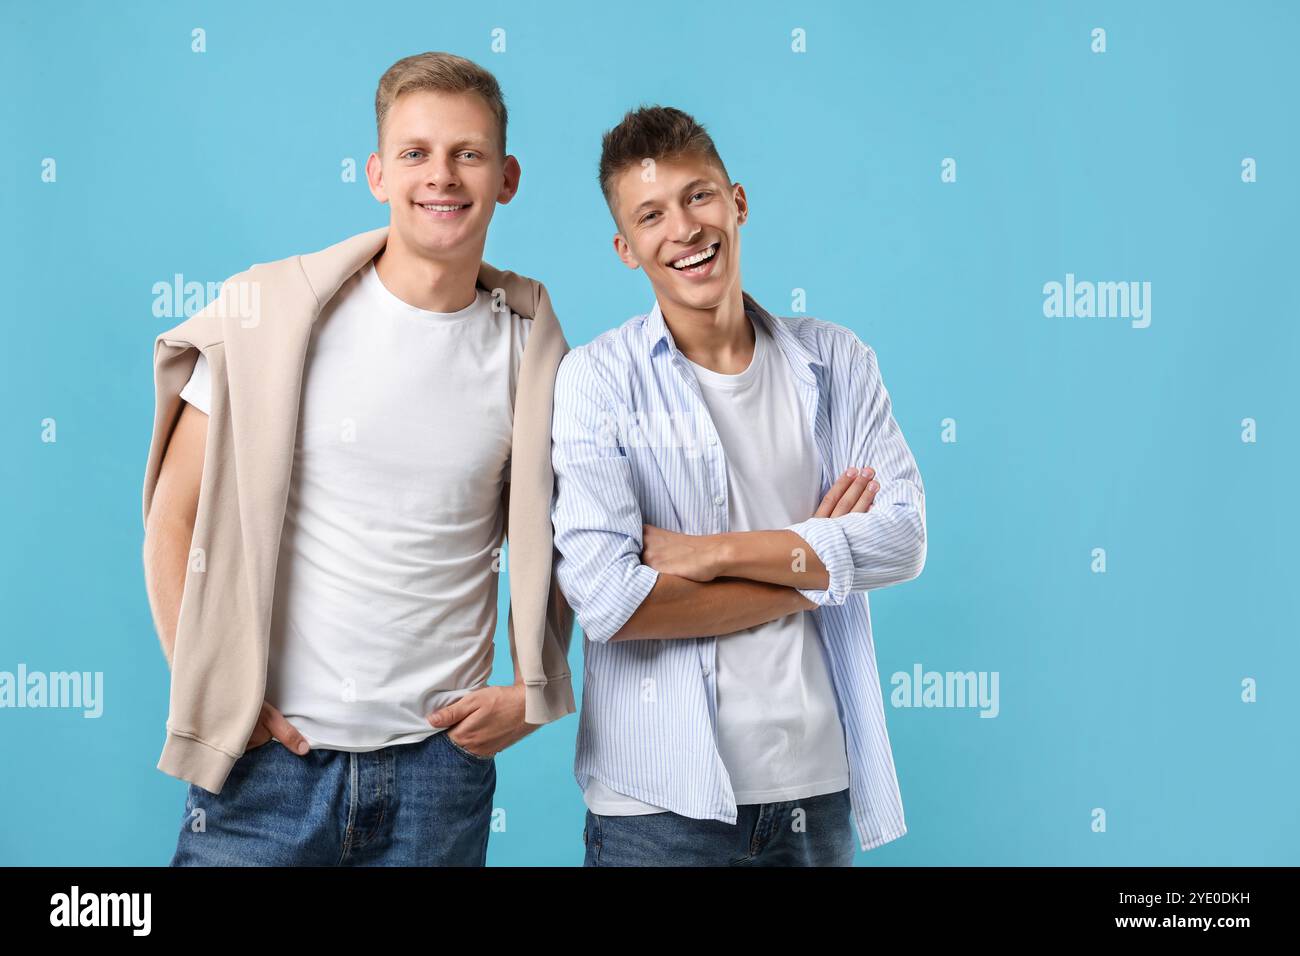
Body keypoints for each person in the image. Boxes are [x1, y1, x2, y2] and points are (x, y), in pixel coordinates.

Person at [142, 51, 576, 866]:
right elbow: (173, 521)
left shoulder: (529, 349)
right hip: (267, 768)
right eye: (416, 153)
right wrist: (212, 688)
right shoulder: (270, 316)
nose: (441, 177)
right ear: (378, 173)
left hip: (437, 776)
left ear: (507, 176)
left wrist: (534, 690)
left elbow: (565, 534)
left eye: (468, 154)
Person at [550, 105, 927, 866]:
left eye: (698, 196)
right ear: (627, 248)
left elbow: (903, 539)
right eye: (650, 215)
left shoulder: (838, 360)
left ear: (738, 202)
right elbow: (610, 603)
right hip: (658, 808)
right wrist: (818, 569)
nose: (683, 229)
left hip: (815, 790)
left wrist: (710, 552)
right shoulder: (596, 380)